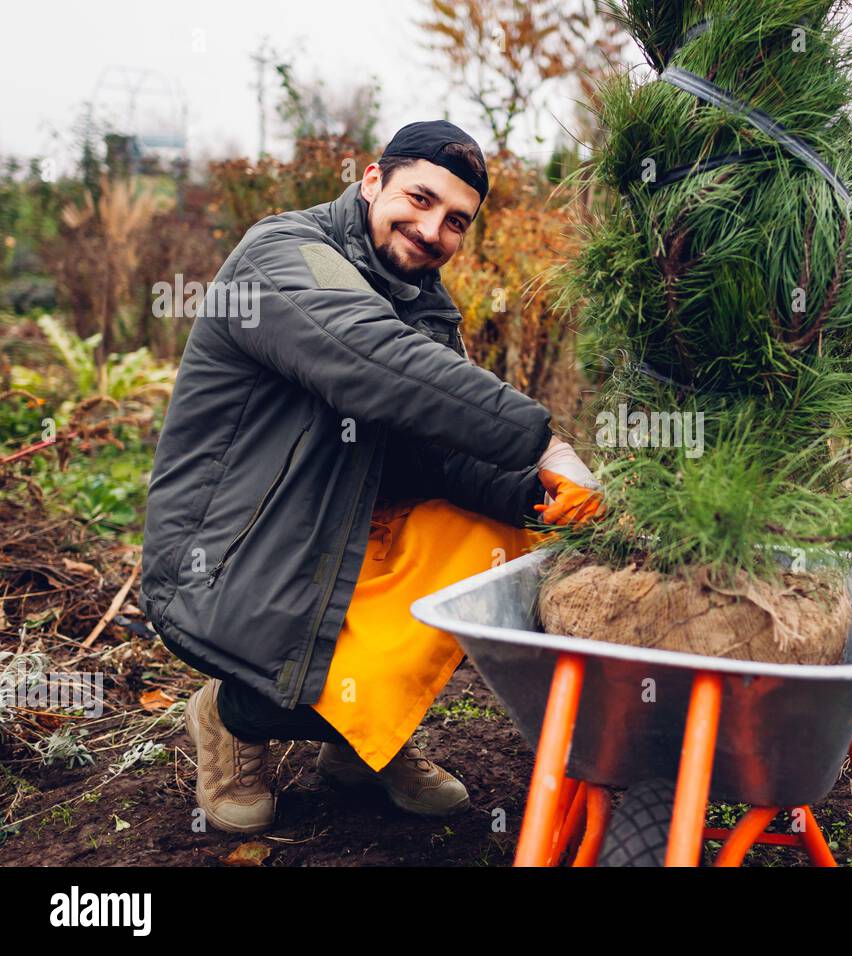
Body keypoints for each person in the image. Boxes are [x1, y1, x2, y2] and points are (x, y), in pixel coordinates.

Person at [141, 120, 602, 834]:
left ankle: (367, 741)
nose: (431, 229)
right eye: (419, 198)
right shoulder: (287, 255)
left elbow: (436, 450)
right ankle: (231, 718)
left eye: (455, 221)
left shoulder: (424, 304)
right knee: (305, 660)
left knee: (495, 533)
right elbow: (368, 360)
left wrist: (534, 490)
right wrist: (541, 440)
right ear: (370, 180)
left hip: (342, 532)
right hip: (240, 556)